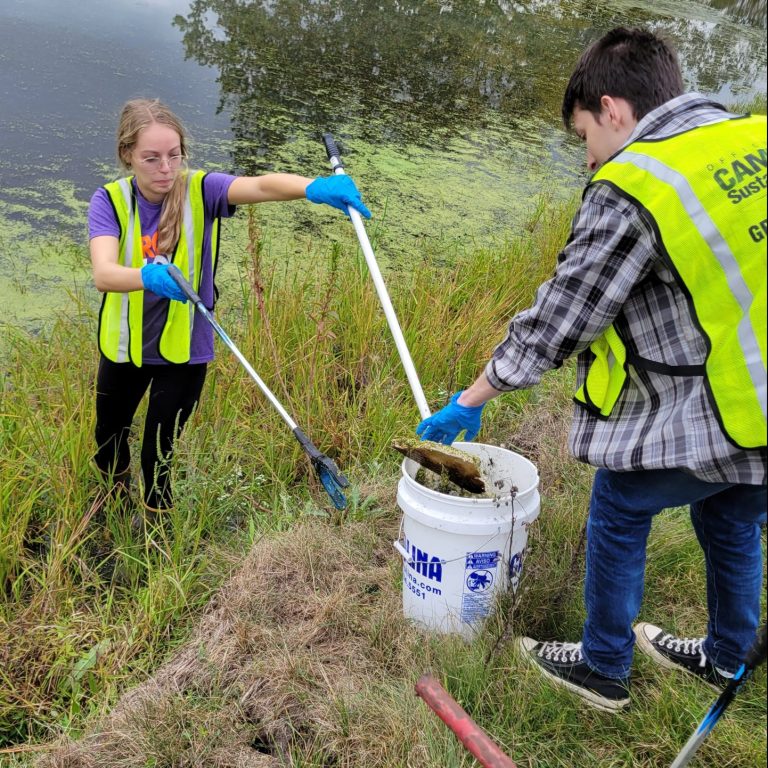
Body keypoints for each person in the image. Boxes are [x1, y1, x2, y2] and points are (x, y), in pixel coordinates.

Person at [416, 27, 766, 712]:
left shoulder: (635, 183)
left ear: (612, 110)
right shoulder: (750, 137)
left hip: (729, 402)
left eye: (584, 135)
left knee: (620, 503)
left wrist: (474, 395)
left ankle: (603, 667)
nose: (587, 157)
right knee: (730, 513)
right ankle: (727, 656)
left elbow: (564, 316)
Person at [89, 98, 370, 514]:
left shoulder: (202, 190)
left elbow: (261, 186)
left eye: (174, 155)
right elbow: (104, 274)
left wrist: (312, 187)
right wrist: (148, 277)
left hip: (184, 352)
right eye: (151, 158)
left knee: (157, 458)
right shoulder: (109, 201)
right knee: (109, 439)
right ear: (127, 155)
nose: (166, 168)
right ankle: (111, 509)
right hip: (124, 346)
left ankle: (156, 533)